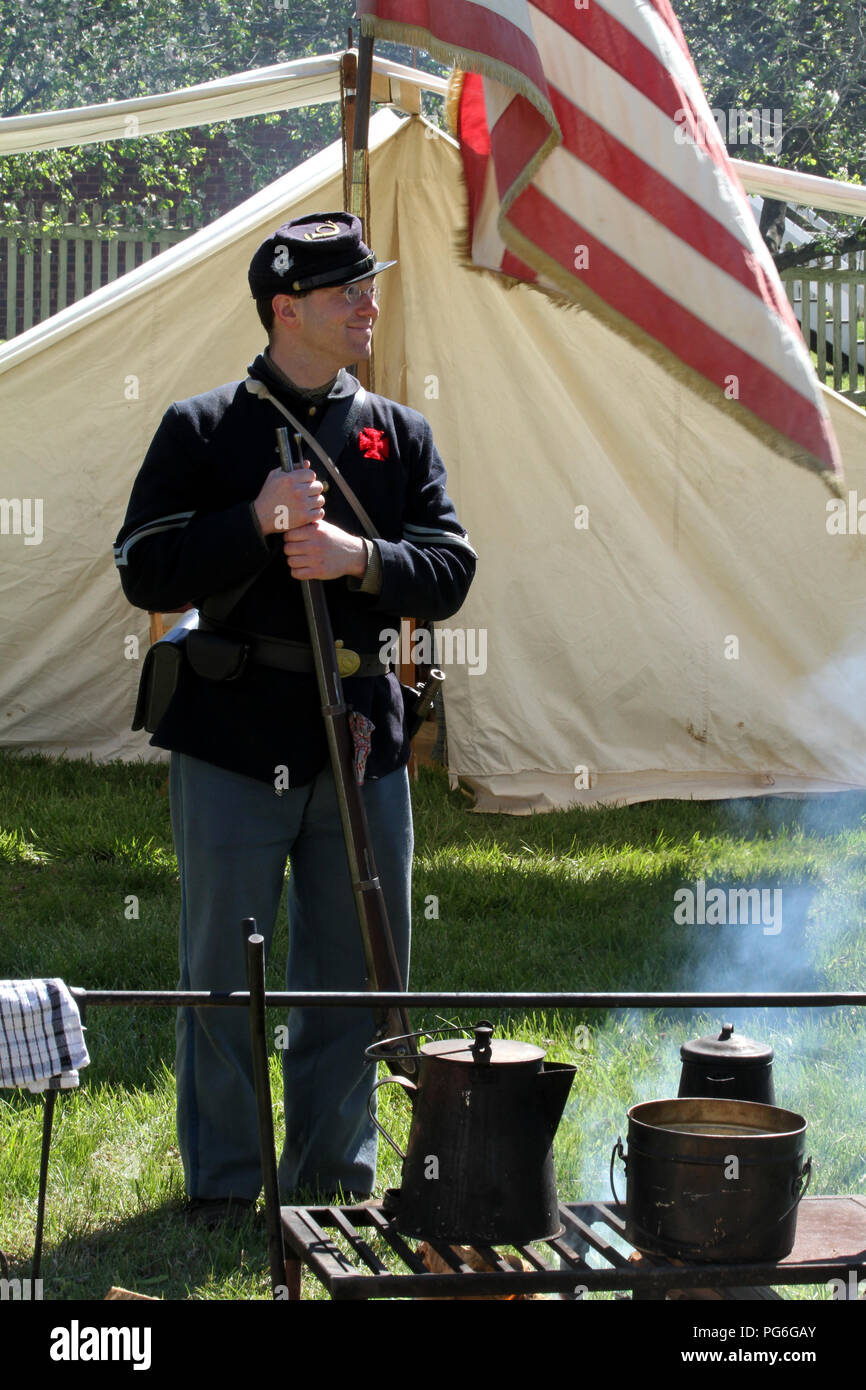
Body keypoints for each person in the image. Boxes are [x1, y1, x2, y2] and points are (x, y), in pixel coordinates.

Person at [114, 212, 476, 1223]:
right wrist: (253, 523)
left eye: (369, 287)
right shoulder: (203, 426)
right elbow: (141, 562)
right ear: (286, 310)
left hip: (360, 734)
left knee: (355, 970)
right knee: (225, 974)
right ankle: (229, 1187)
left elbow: (449, 569)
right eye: (346, 292)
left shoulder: (398, 432)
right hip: (235, 731)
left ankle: (330, 1184)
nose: (368, 306)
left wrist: (360, 560)